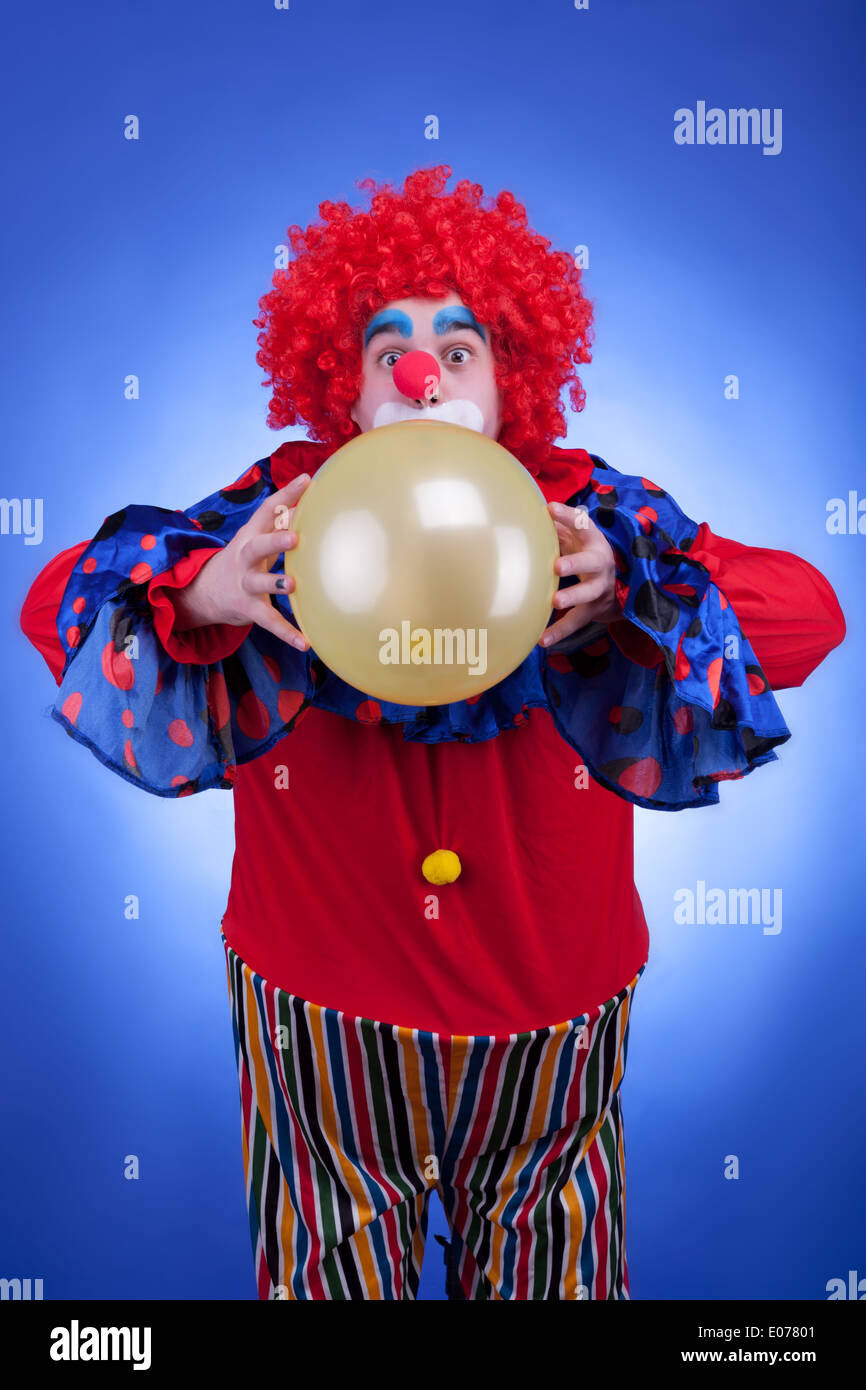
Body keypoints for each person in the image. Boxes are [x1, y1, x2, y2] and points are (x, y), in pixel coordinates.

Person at [20, 165, 846, 1300]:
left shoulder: (584, 513)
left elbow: (809, 614)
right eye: (386, 349)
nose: (422, 372)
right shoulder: (286, 510)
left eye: (458, 347)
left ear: (511, 379)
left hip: (550, 1019)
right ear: (344, 391)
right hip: (319, 1016)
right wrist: (204, 594)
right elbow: (53, 600)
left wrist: (633, 592)